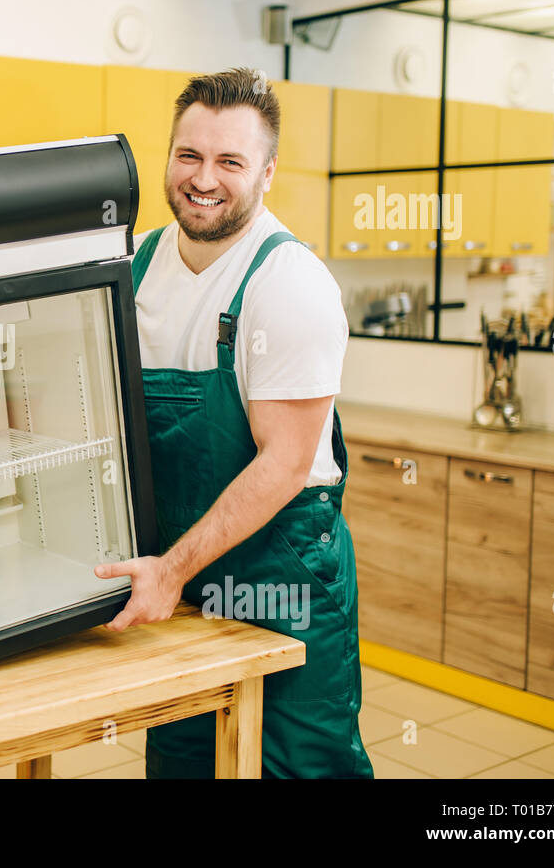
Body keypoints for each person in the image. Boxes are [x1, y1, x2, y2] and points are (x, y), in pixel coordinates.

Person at [95, 67, 372, 778]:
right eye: (189, 155)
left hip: (282, 579)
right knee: (184, 762)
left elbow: (282, 464)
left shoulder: (288, 283)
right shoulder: (136, 264)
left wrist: (172, 569)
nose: (203, 178)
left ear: (267, 171)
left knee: (294, 768)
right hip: (181, 579)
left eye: (230, 161)